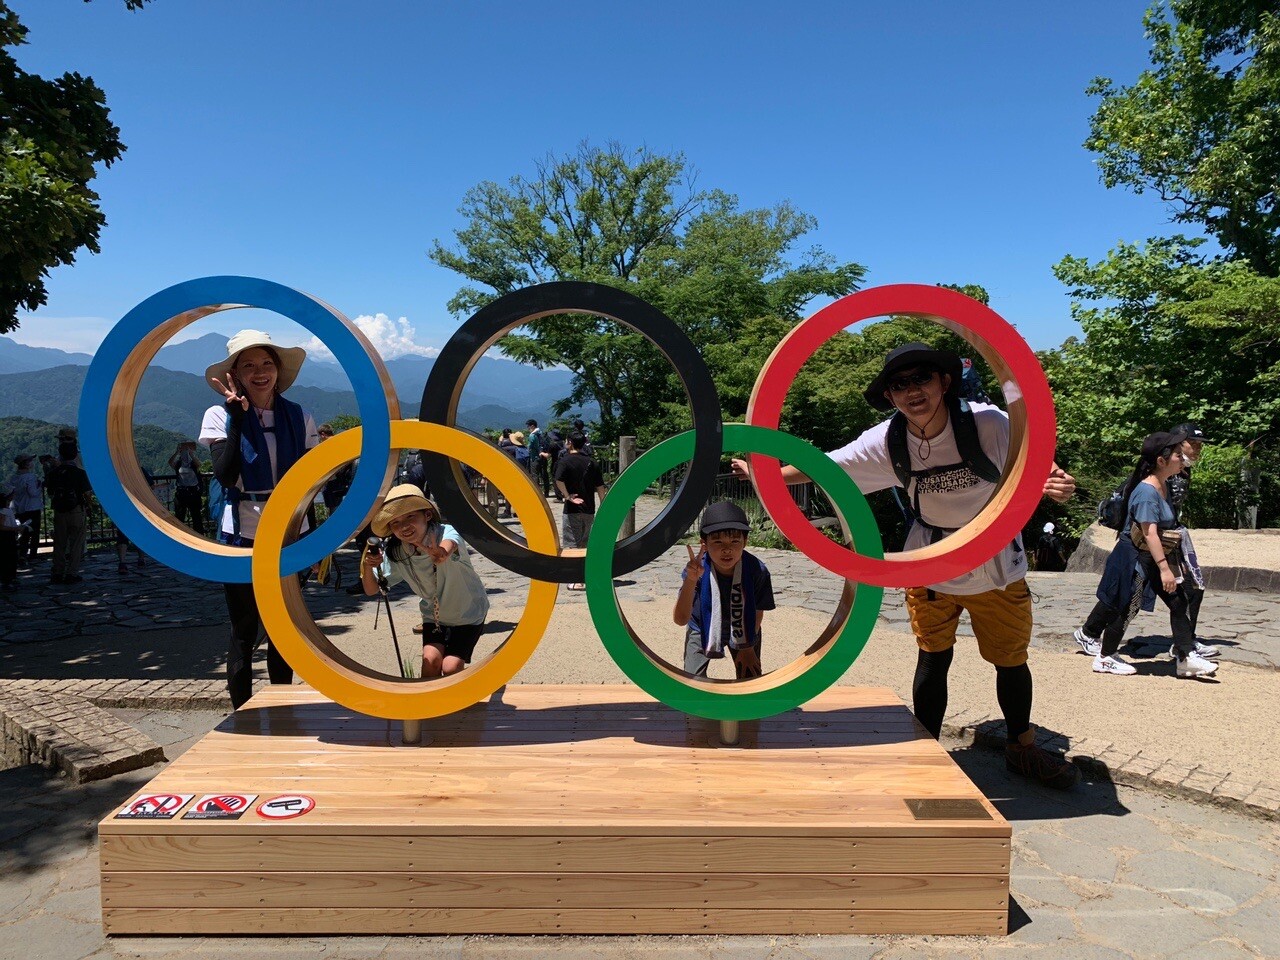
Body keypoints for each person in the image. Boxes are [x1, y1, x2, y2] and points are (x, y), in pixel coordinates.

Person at [732, 342, 1080, 789]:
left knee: (1011, 660)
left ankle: (1022, 747)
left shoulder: (985, 422)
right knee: (933, 658)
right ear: (890, 396)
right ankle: (927, 752)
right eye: (900, 384)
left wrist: (1055, 480)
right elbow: (827, 466)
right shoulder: (887, 440)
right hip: (929, 559)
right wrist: (765, 475)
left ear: (945, 383)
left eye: (922, 379)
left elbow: (1034, 453)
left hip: (994, 558)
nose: (912, 391)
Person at [199, 330, 320, 709]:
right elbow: (223, 472)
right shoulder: (218, 414)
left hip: (289, 532)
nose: (259, 371)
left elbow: (313, 478)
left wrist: (314, 539)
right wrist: (237, 419)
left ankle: (281, 707)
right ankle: (241, 712)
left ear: (278, 370)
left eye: (267, 363)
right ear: (234, 374)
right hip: (243, 532)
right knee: (244, 629)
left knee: (285, 629)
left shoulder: (300, 416)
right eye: (248, 365)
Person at [1074, 431, 1218, 679]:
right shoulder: (1147, 491)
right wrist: (1164, 569)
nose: (1181, 458)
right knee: (1129, 605)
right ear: (1161, 461)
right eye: (1176, 454)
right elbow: (1149, 533)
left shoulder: (1162, 484)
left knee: (1179, 601)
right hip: (1137, 558)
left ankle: (1185, 657)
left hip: (1154, 556)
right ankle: (1106, 657)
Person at [361, 484, 490, 678]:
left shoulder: (446, 532)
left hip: (468, 613)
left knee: (451, 666)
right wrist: (368, 566)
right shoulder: (397, 551)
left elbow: (449, 546)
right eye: (395, 522)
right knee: (430, 662)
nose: (404, 526)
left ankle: (457, 700)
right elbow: (371, 590)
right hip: (435, 616)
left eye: (410, 516)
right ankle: (431, 706)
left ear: (427, 515)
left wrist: (441, 552)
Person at [673, 501, 775, 680]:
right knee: (692, 682)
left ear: (745, 542)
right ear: (704, 544)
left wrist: (748, 647)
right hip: (701, 626)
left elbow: (758, 611)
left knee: (749, 677)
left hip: (744, 626)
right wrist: (691, 580)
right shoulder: (697, 571)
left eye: (735, 541)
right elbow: (681, 619)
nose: (727, 549)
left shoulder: (757, 570)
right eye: (718, 541)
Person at [554, 431, 607, 591]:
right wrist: (603, 504)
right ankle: (585, 577)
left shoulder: (565, 461)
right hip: (589, 508)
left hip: (572, 509)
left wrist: (568, 496)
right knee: (584, 543)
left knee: (572, 545)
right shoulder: (592, 462)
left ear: (569, 442)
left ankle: (576, 580)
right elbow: (600, 487)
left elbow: (558, 480)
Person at [45, 440, 91, 585]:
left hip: (59, 511)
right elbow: (87, 493)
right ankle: (72, 573)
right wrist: (88, 506)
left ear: (60, 455)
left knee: (59, 543)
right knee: (76, 543)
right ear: (75, 455)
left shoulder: (54, 473)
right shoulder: (80, 473)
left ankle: (57, 572)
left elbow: (50, 492)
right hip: (76, 509)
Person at [167, 441, 205, 535]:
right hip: (182, 493)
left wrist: (191, 454)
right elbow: (170, 462)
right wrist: (176, 452)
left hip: (193, 493)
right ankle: (179, 536)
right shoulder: (179, 464)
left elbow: (199, 464)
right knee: (180, 517)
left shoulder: (193, 464)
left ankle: (199, 536)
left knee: (196, 517)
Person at [11, 454, 42, 563]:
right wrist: (39, 486)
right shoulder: (30, 477)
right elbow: (33, 493)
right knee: (34, 532)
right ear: (26, 464)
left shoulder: (14, 478)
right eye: (30, 461)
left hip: (19, 508)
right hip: (32, 507)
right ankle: (33, 555)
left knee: (23, 532)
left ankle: (22, 553)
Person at [526, 419, 551, 497]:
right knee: (544, 475)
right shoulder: (542, 433)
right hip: (543, 457)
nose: (528, 428)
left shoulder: (532, 435)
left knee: (535, 475)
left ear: (532, 426)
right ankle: (546, 492)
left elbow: (529, 447)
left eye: (528, 426)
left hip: (535, 458)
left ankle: (537, 494)